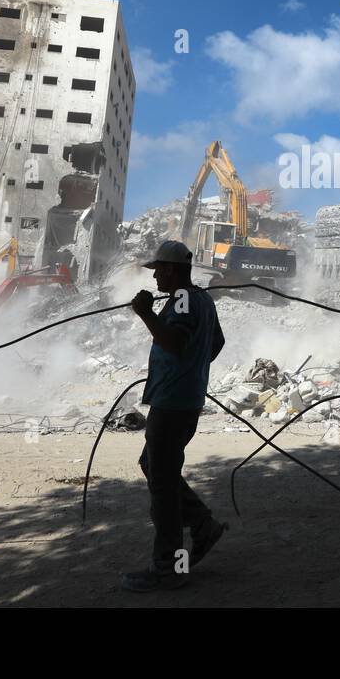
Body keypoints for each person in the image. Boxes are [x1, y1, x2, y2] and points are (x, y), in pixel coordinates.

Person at [120, 239, 227, 593]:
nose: (155, 278)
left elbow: (176, 342)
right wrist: (194, 370)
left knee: (163, 488)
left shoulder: (182, 299)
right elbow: (217, 342)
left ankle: (170, 568)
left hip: (173, 403)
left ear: (170, 270)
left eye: (158, 271)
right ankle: (202, 525)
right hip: (183, 399)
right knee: (154, 466)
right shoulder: (203, 300)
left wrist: (146, 314)